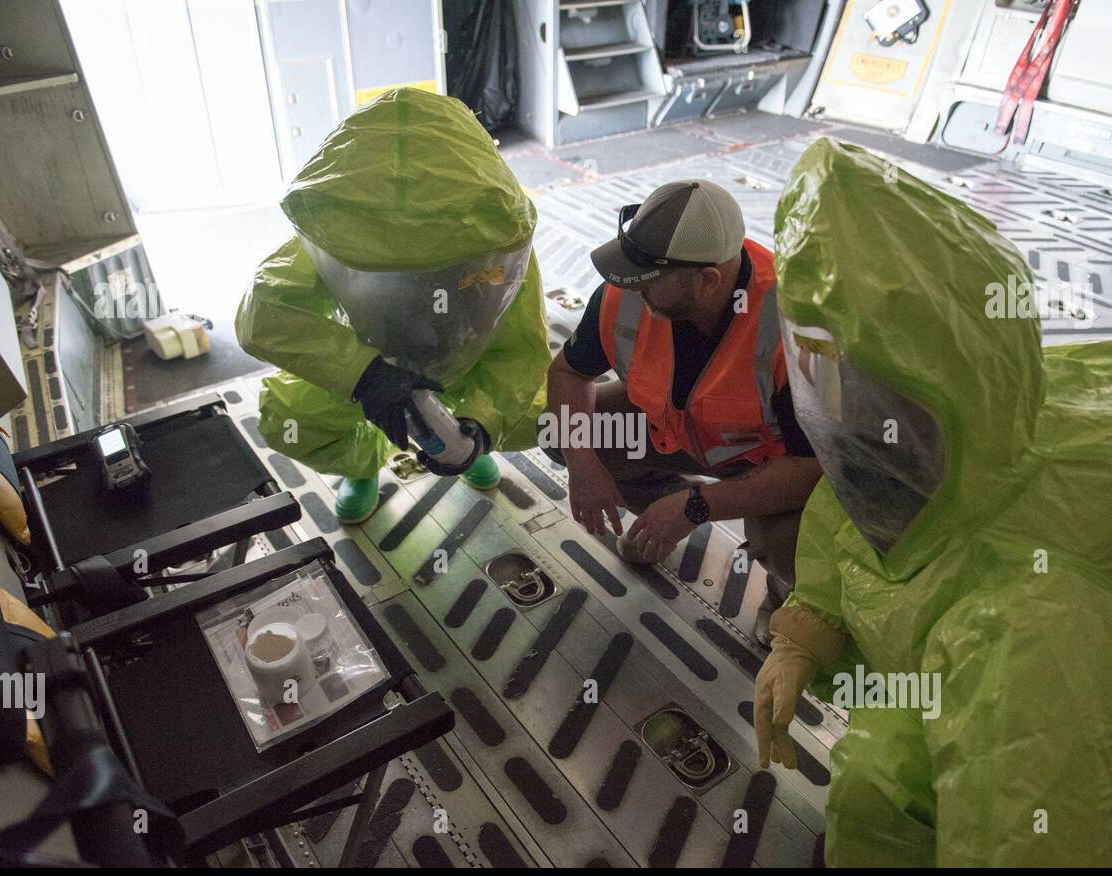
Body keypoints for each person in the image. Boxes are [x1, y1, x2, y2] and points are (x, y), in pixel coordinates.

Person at [756, 137, 1112, 866]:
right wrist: (807, 628)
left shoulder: (1042, 640)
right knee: (877, 790)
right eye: (817, 361)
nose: (832, 402)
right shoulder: (972, 423)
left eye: (844, 371)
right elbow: (856, 515)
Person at [236, 87, 549, 522]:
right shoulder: (331, 235)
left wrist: (482, 423)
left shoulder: (499, 246)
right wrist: (361, 375)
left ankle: (469, 441)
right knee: (290, 422)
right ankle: (363, 465)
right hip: (367, 366)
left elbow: (519, 352)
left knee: (546, 413)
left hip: (467, 369)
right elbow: (262, 314)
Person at [545, 180, 822, 629]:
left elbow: (811, 469)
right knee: (562, 432)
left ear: (707, 280)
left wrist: (700, 506)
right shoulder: (625, 292)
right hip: (669, 432)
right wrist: (582, 463)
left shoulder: (792, 328)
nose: (629, 289)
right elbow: (569, 374)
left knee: (799, 542)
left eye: (648, 282)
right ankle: (660, 517)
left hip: (765, 466)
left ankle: (785, 593)